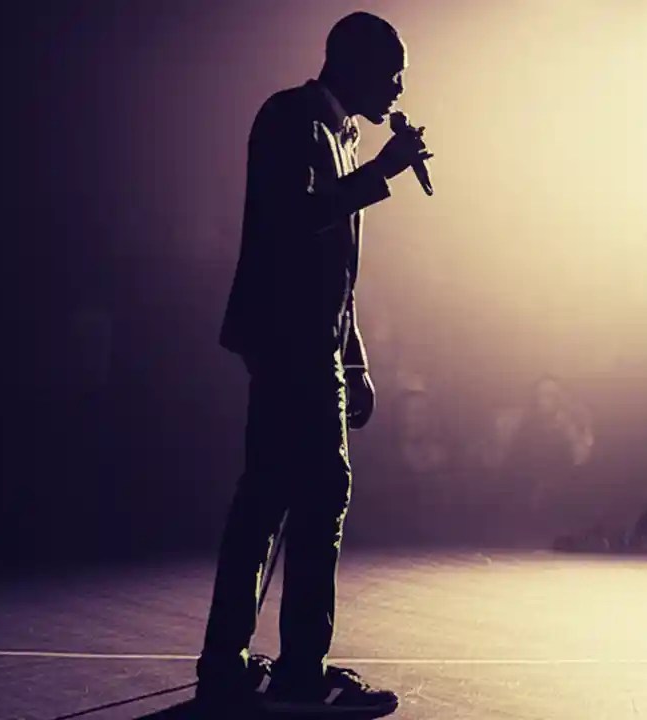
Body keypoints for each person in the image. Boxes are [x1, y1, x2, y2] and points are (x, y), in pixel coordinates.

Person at [196, 12, 433, 715]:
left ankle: (230, 667)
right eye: (392, 73)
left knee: (267, 499)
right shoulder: (291, 118)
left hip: (312, 344)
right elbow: (291, 219)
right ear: (354, 63)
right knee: (316, 496)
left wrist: (353, 359)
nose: (397, 89)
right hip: (288, 342)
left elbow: (336, 270)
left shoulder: (339, 132)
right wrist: (378, 175)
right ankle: (300, 673)